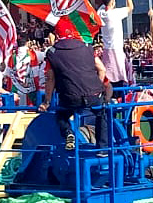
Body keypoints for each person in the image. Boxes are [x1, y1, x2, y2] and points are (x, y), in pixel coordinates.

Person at [40, 17, 110, 151]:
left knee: (61, 115)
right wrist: (97, 88)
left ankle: (68, 133)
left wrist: (47, 101)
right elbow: (102, 69)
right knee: (101, 114)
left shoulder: (52, 52)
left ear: (57, 34)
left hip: (70, 97)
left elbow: (50, 79)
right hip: (93, 94)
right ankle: (103, 149)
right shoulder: (87, 47)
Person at [99, 0, 134, 88]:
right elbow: (131, 7)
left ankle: (109, 97)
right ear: (113, 3)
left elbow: (108, 2)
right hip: (117, 49)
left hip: (106, 49)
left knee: (108, 76)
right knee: (119, 75)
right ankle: (119, 97)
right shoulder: (115, 14)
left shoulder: (100, 13)